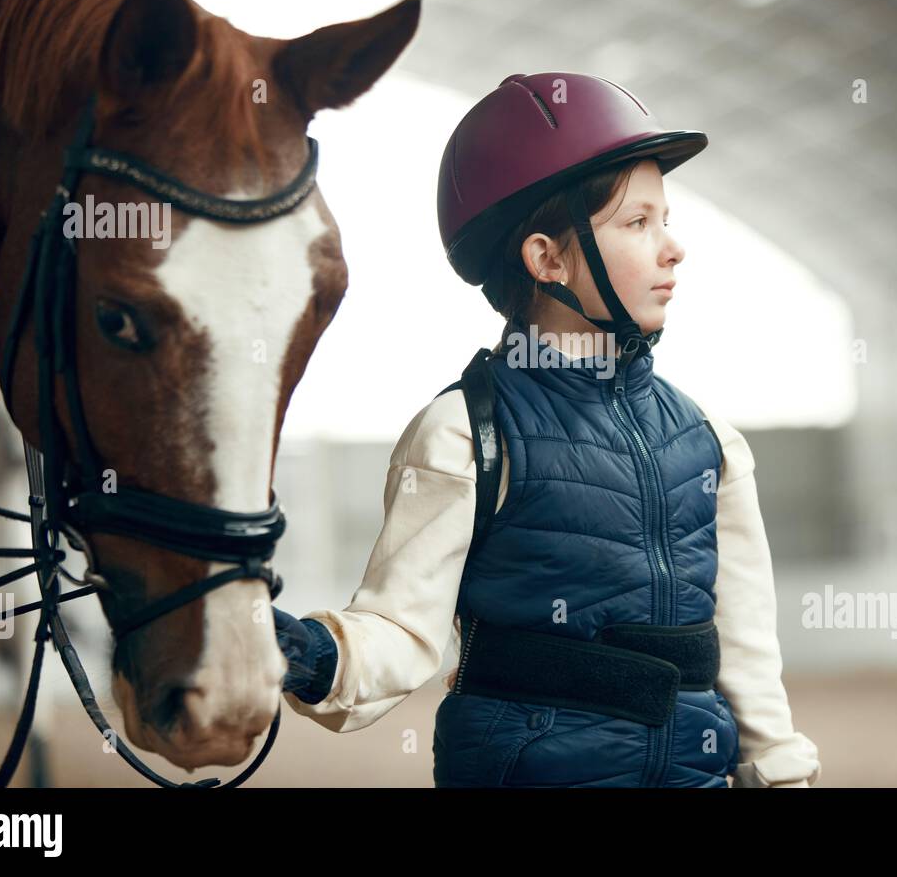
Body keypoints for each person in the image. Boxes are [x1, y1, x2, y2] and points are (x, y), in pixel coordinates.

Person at [273, 71, 820, 788]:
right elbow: (403, 632)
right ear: (548, 259)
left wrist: (776, 761)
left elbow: (743, 642)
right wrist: (301, 652)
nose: (672, 247)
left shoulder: (709, 438)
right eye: (637, 223)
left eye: (666, 218)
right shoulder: (465, 431)